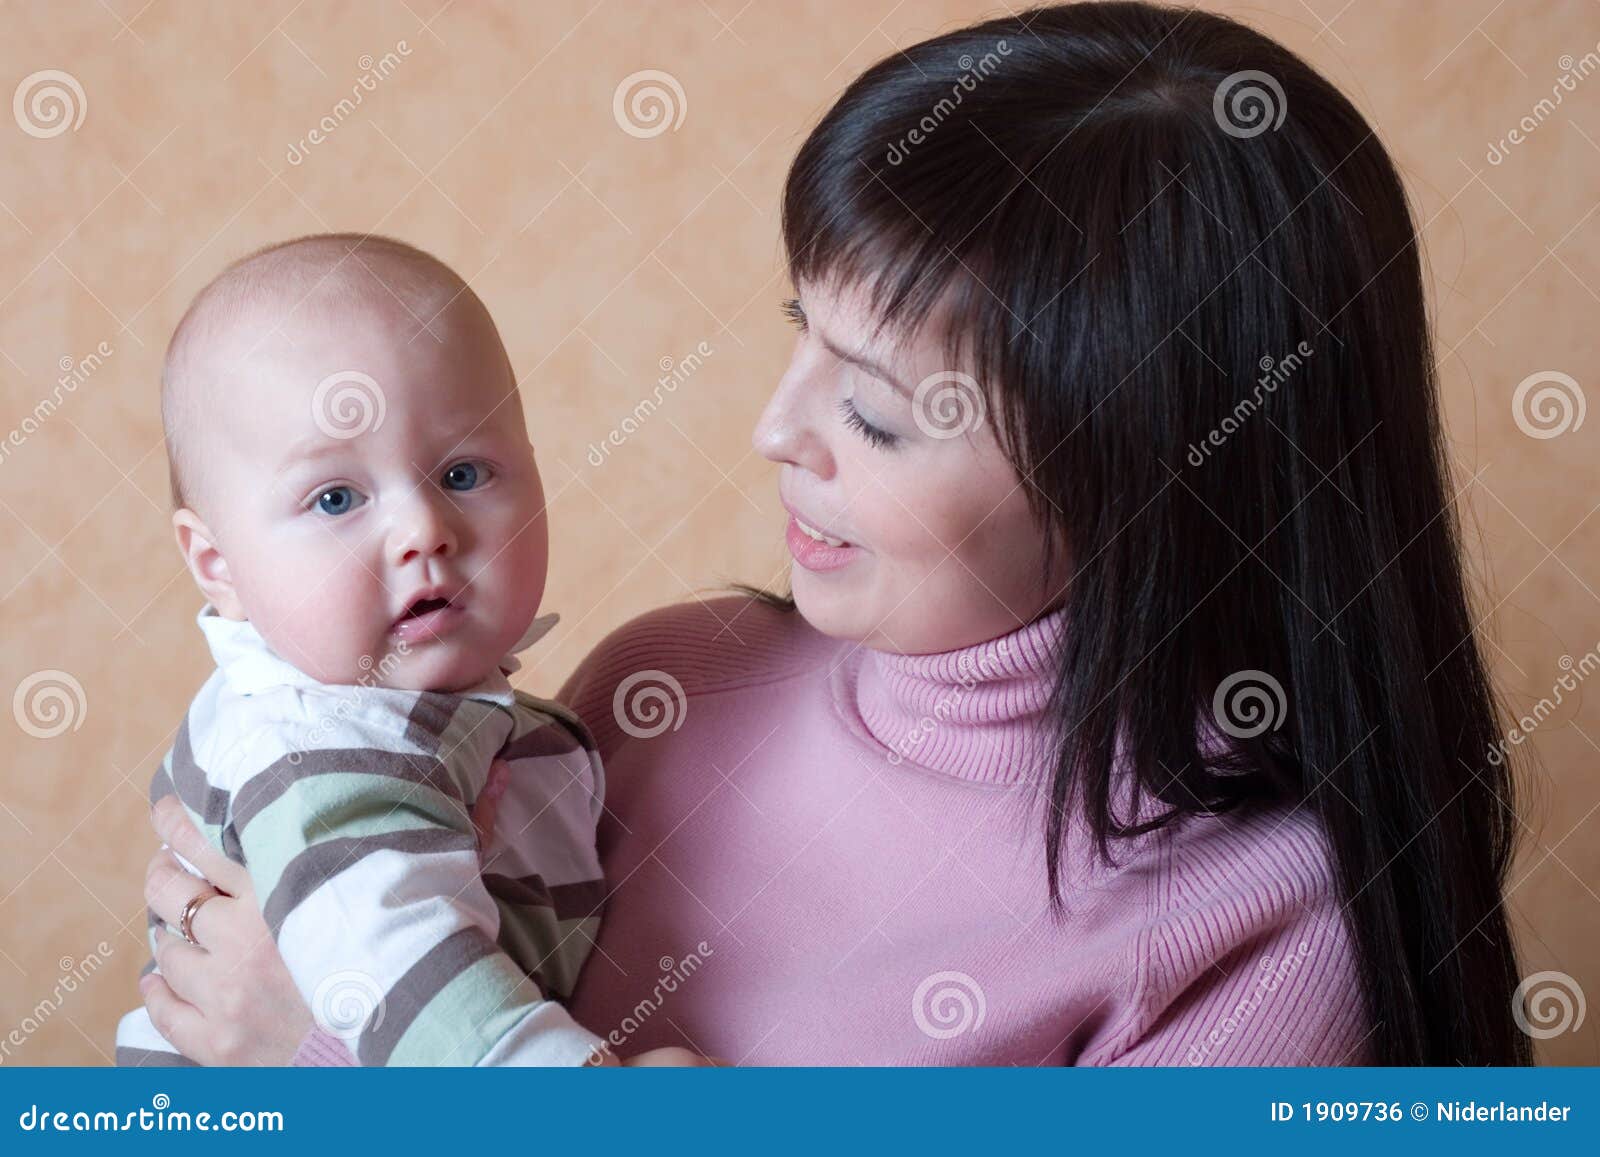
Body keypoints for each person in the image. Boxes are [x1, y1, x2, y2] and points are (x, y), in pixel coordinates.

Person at [139, 1, 1530, 1066]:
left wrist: (317, 1065)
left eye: (874, 413)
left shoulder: (1275, 930)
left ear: (1149, 476)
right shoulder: (658, 686)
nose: (774, 430)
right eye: (804, 336)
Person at [122, 234, 704, 1067]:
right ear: (219, 567)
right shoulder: (320, 748)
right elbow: (413, 981)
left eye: (464, 473)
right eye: (334, 497)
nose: (424, 530)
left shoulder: (452, 715)